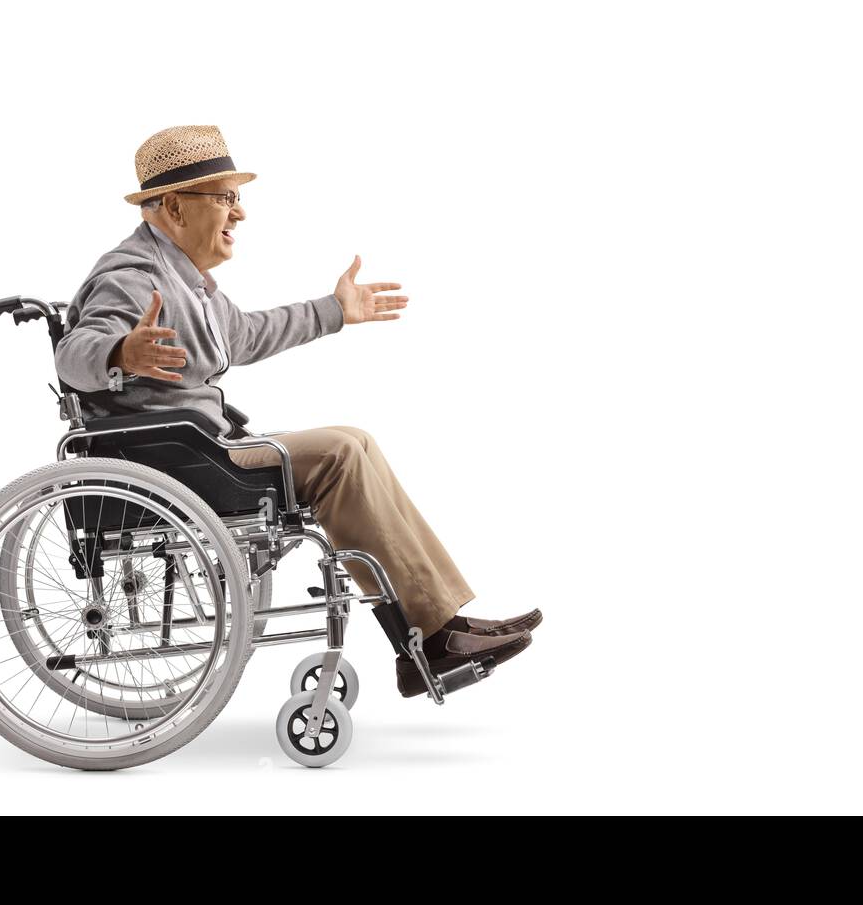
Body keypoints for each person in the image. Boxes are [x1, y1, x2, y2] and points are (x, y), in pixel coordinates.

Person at [55, 125, 540, 696]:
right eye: (225, 198)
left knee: (353, 440)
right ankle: (429, 638)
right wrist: (120, 351)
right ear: (175, 206)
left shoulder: (188, 282)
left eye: (238, 198)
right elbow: (74, 355)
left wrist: (335, 310)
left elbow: (248, 334)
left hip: (199, 451)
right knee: (339, 452)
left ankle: (436, 629)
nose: (239, 213)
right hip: (177, 463)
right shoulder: (134, 277)